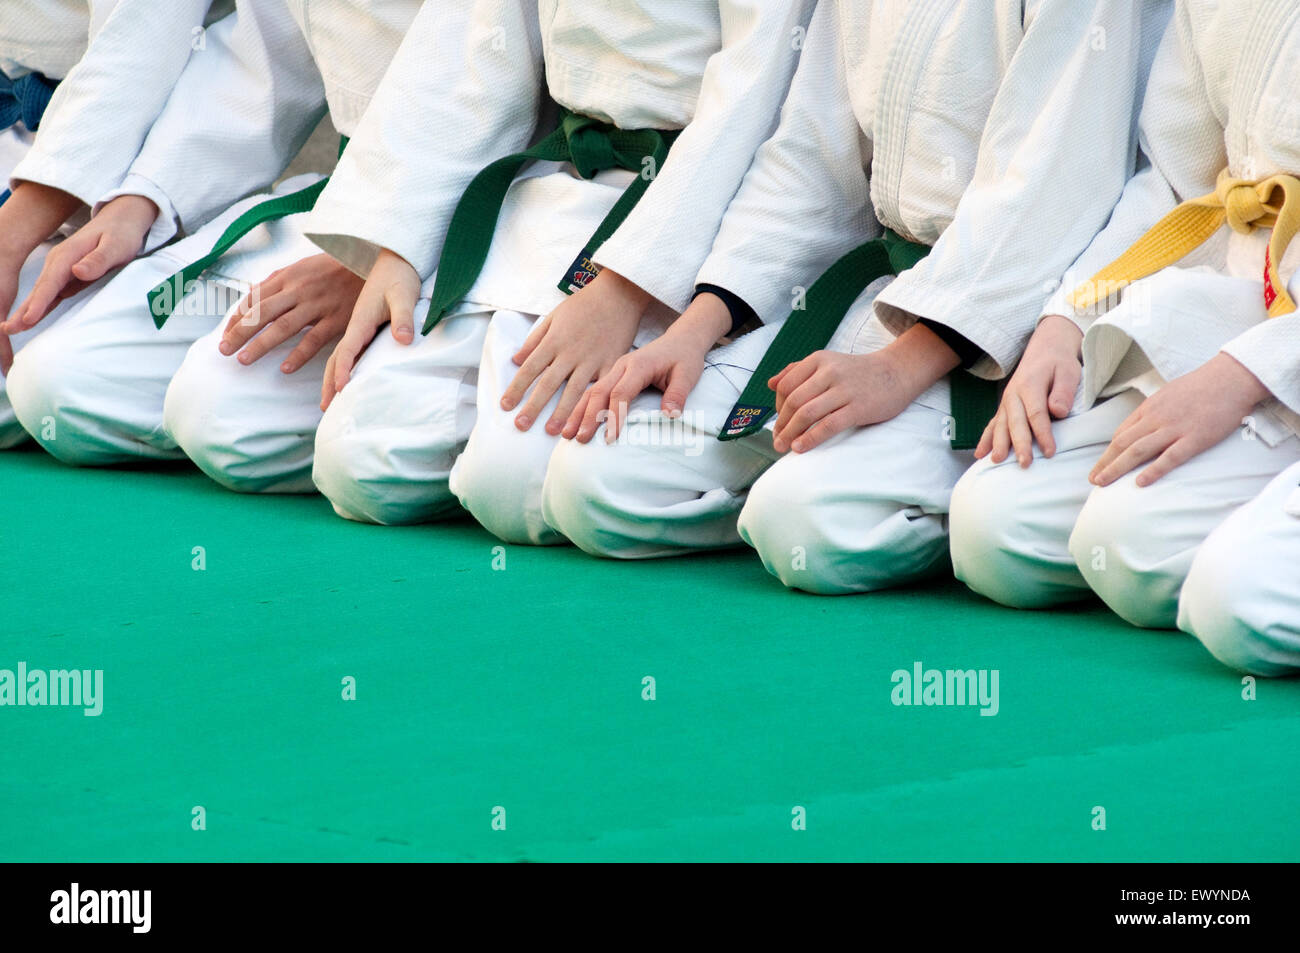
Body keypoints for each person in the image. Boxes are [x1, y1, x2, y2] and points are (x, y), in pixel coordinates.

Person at [540, 0, 1171, 598]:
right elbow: (810, 161)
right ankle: (825, 473)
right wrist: (696, 327)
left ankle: (904, 489)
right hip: (878, 303)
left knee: (803, 525)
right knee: (594, 480)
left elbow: (1052, 193)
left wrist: (898, 369)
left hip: (1007, 332)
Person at [305, 0, 816, 538]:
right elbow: (479, 43)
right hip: (551, 188)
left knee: (510, 486)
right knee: (357, 460)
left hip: (698, 220)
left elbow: (756, 87)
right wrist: (400, 239)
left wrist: (625, 288)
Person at [949, 0, 1300, 658]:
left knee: (1236, 600)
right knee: (995, 525)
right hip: (1240, 309)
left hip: (1272, 352)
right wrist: (1067, 316)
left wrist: (1250, 373)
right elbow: (1174, 181)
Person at [3, 0, 425, 488]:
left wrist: (380, 248)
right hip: (348, 205)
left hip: (469, 226)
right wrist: (144, 197)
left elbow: (495, 101)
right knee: (56, 384)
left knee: (224, 421)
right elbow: (262, 63)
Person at [0, 0, 230, 446]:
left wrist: (11, 234)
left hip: (142, 162)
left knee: (56, 386)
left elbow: (143, 41)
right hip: (23, 151)